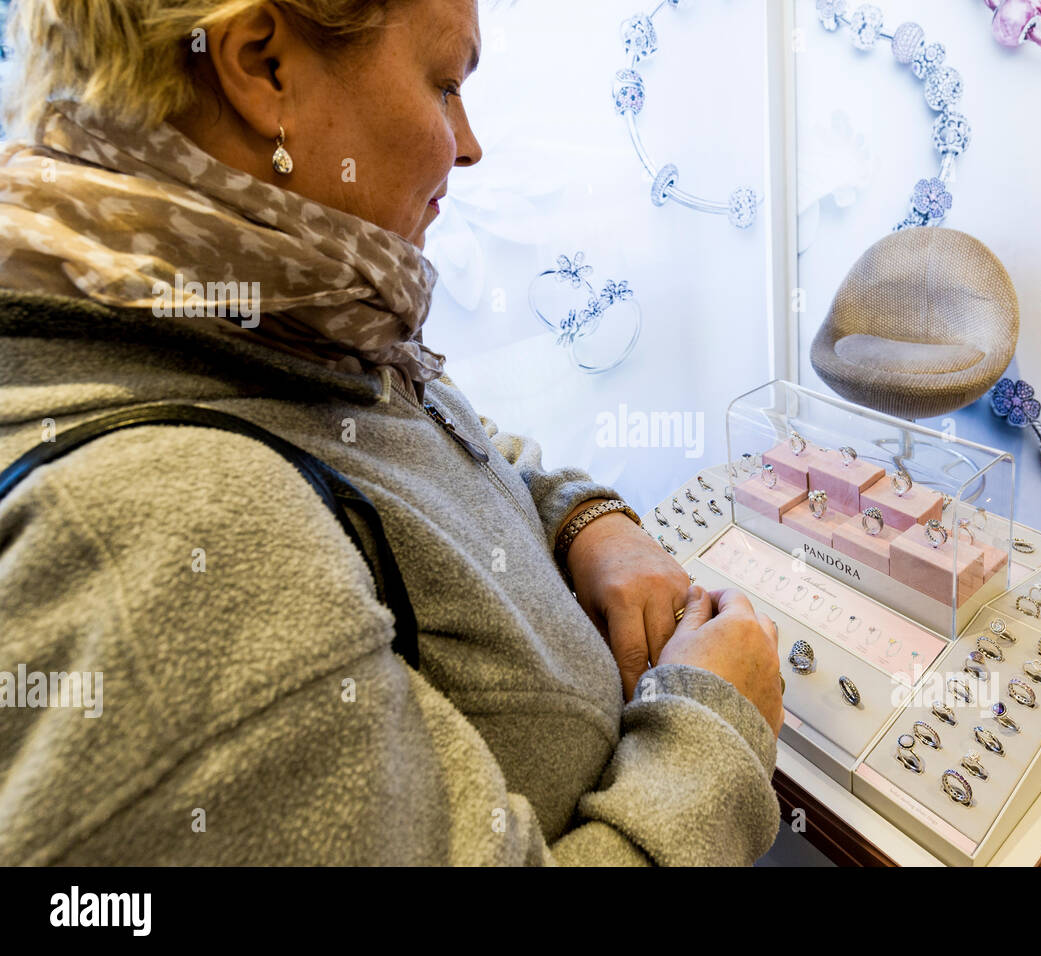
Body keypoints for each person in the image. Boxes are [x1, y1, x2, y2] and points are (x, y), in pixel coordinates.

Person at [0, 0, 783, 865]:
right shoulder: (184, 532)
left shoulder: (276, 310)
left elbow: (438, 440)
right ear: (264, 67)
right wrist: (713, 732)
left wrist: (586, 520)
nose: (470, 142)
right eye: (444, 84)